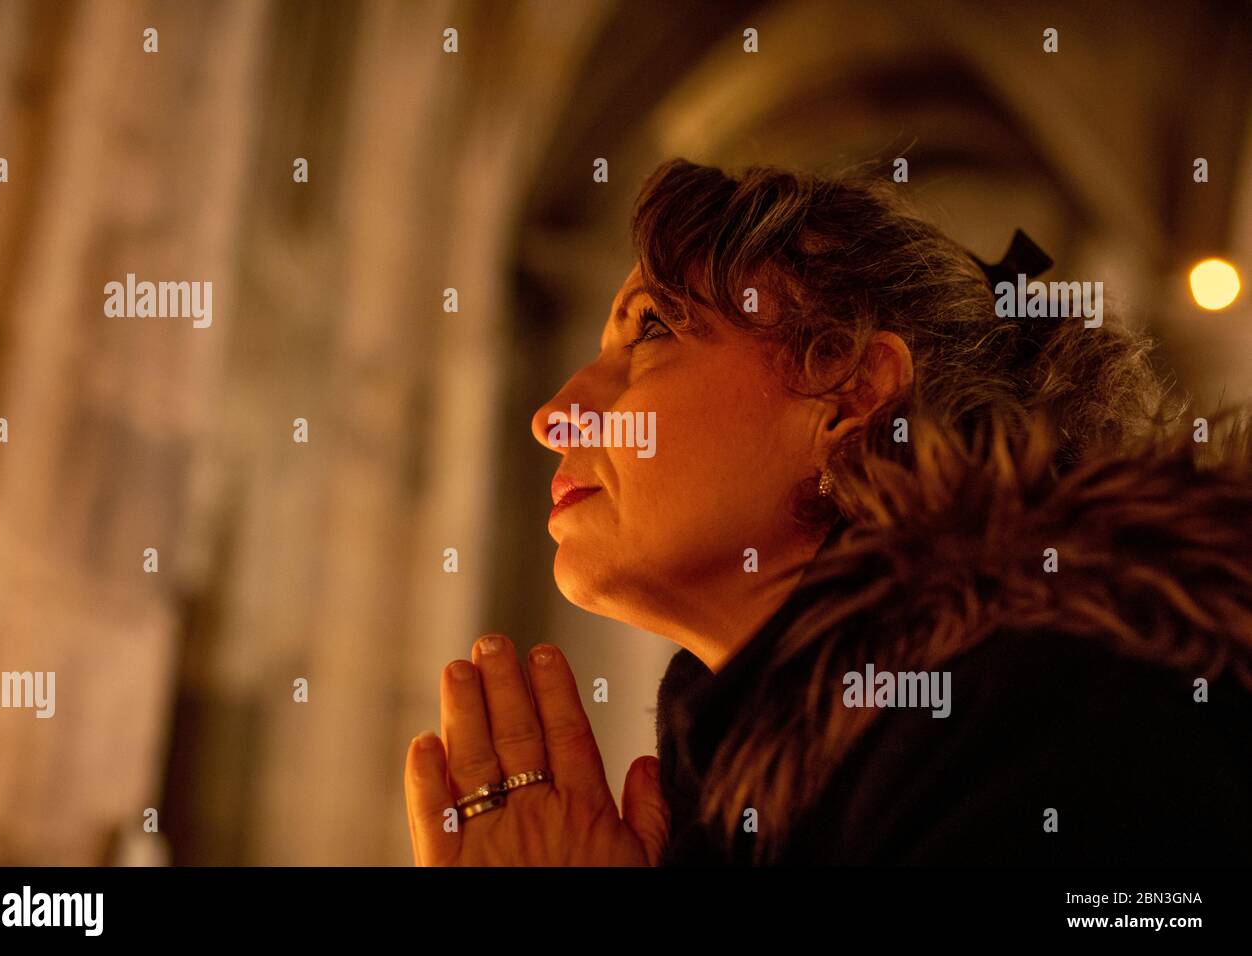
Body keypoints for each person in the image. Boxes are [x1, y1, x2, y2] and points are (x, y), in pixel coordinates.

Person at [403, 158, 1252, 866]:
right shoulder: (764, 774)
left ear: (850, 393)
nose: (553, 414)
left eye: (653, 328)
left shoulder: (1067, 720)